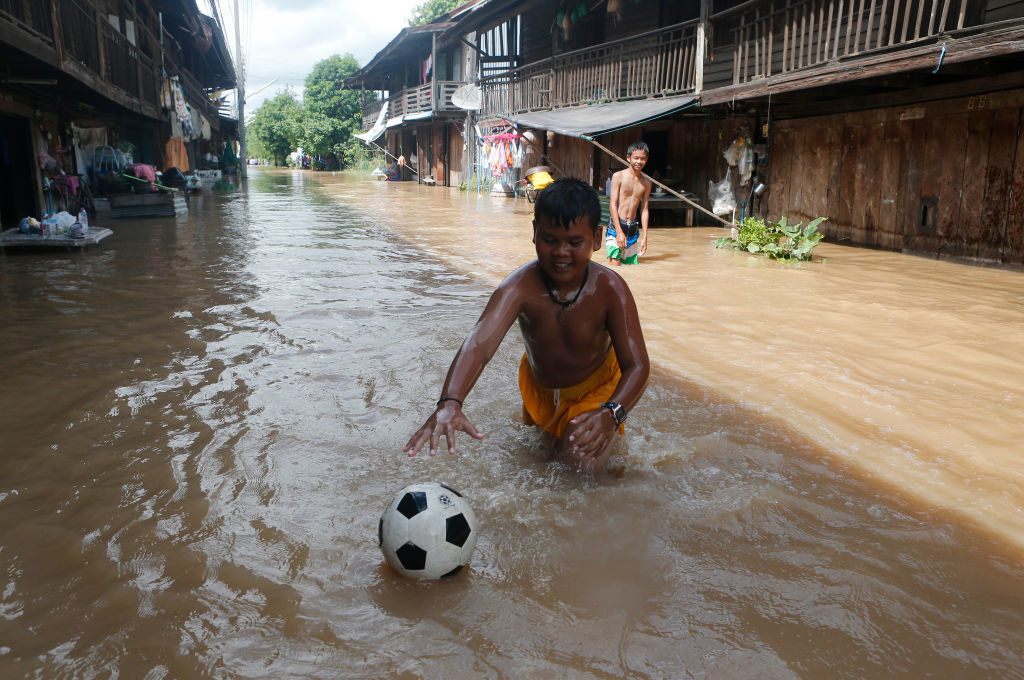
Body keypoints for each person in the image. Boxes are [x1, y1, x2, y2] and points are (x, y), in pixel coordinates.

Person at [403, 178, 650, 475]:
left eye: (574, 242)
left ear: (597, 239)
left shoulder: (611, 289)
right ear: (534, 233)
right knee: (539, 467)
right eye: (550, 239)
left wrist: (612, 413)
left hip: (596, 391)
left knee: (581, 472)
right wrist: (450, 402)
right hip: (541, 390)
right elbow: (479, 344)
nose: (561, 252)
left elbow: (637, 366)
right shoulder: (519, 288)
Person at [607, 141, 653, 266]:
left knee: (630, 265)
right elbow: (612, 204)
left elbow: (644, 209)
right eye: (636, 158)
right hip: (616, 225)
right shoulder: (618, 176)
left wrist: (645, 237)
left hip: (633, 226)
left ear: (647, 159)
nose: (639, 161)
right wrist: (619, 231)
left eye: (643, 159)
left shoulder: (647, 182)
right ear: (628, 158)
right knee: (615, 264)